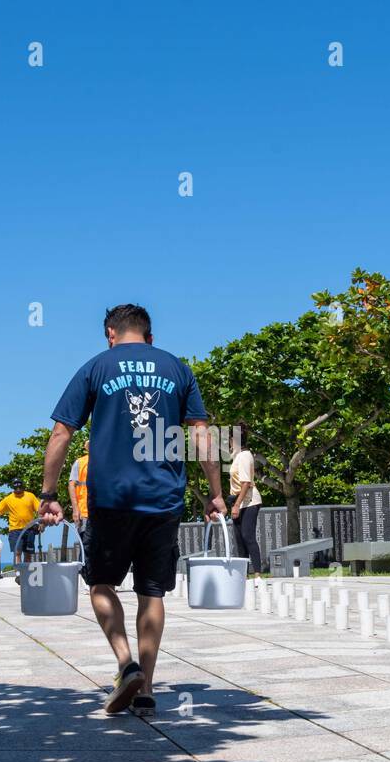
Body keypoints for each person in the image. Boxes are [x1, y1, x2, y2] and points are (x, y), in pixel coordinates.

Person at [39, 304, 223, 718]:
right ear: (150, 336)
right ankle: (147, 687)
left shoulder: (96, 367)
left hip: (111, 498)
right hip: (163, 498)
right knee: (151, 592)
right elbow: (202, 436)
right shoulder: (177, 369)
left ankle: (126, 664)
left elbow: (61, 432)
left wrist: (49, 492)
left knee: (101, 584)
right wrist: (215, 493)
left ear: (110, 334)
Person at [228, 423, 263, 575]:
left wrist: (236, 505)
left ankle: (257, 575)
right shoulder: (238, 456)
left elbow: (246, 483)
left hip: (249, 501)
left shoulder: (243, 456)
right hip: (239, 501)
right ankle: (243, 575)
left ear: (233, 440)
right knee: (239, 539)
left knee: (248, 536)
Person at [0, 478, 41, 573]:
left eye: (19, 485)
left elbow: (39, 510)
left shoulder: (30, 496)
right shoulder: (8, 499)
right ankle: (18, 573)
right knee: (17, 552)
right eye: (15, 486)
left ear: (23, 486)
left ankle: (26, 573)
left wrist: (41, 522)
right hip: (15, 530)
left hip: (29, 529)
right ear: (13, 487)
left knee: (28, 553)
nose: (18, 488)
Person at [68, 438, 90, 533]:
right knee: (86, 544)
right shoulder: (80, 462)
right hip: (84, 512)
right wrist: (75, 510)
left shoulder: (107, 461)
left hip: (104, 512)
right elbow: (72, 485)